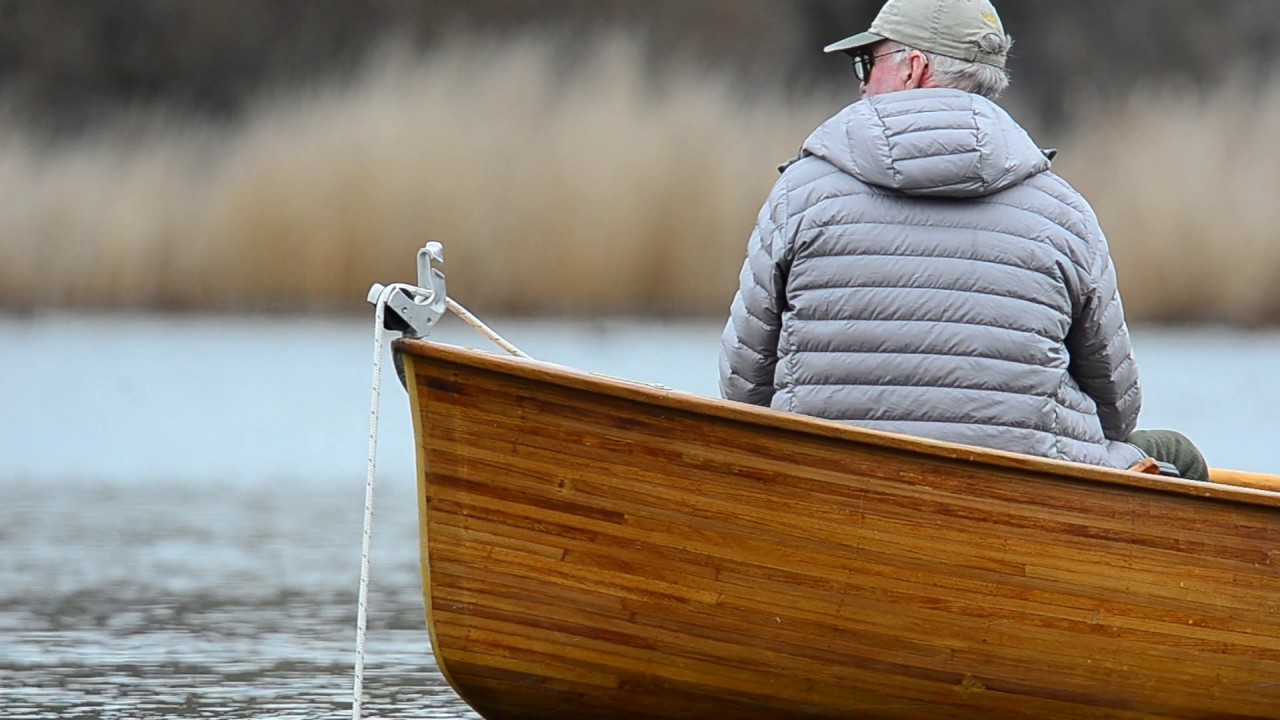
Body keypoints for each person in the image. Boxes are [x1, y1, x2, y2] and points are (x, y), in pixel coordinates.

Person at [718, 0, 1210, 482]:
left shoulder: (800, 194)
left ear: (912, 69)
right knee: (1177, 456)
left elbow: (742, 386)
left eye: (867, 62)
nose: (863, 83)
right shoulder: (1065, 213)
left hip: (827, 487)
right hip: (1021, 508)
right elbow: (1117, 410)